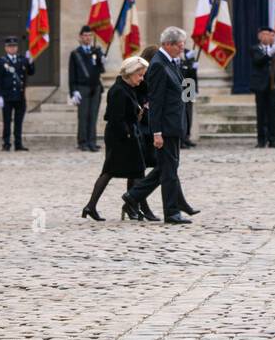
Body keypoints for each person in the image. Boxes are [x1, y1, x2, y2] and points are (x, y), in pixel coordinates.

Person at [123, 26, 194, 224]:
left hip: (176, 124)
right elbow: (156, 102)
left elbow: (187, 94)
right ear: (168, 45)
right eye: (180, 45)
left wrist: (190, 74)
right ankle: (171, 212)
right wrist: (157, 132)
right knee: (168, 171)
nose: (183, 48)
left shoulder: (173, 62)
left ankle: (133, 196)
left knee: (165, 168)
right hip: (166, 126)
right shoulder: (158, 65)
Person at [83, 55, 154, 221]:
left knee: (135, 171)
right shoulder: (118, 90)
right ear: (130, 74)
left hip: (130, 133)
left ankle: (131, 206)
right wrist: (128, 134)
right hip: (121, 136)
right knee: (110, 171)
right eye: (139, 75)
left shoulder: (130, 87)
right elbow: (116, 118)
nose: (142, 78)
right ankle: (92, 206)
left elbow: (145, 90)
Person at [68, 25, 105, 152]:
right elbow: (72, 74)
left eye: (89, 35)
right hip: (82, 87)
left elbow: (101, 70)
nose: (87, 38)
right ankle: (82, 141)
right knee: (83, 116)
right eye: (85, 35)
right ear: (80, 37)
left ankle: (92, 141)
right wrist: (73, 91)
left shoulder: (96, 51)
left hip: (95, 87)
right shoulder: (76, 54)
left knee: (93, 115)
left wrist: (101, 59)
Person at [250, 27, 275, 149]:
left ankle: (272, 138)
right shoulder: (256, 49)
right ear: (260, 36)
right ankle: (261, 139)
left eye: (272, 35)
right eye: (267, 34)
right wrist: (268, 54)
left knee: (273, 113)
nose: (270, 37)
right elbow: (257, 61)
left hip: (273, 86)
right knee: (261, 113)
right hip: (261, 86)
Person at [0, 36, 33, 151]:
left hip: (20, 96)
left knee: (18, 121)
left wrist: (31, 61)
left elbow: (31, 72)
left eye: (14, 46)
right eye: (10, 46)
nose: (12, 48)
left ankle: (18, 143)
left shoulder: (22, 60)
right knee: (6, 121)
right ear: (6, 48)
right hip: (7, 96)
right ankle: (6, 143)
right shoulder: (1, 61)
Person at [179, 40, 199, 149]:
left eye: (183, 42)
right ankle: (181, 138)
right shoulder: (176, 55)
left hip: (189, 86)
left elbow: (193, 73)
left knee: (188, 113)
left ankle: (187, 137)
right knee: (181, 113)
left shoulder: (189, 53)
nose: (181, 45)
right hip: (181, 86)